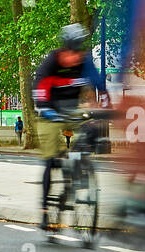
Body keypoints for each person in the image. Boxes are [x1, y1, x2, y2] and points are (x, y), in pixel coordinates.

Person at [33, 23, 107, 230]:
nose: (77, 57)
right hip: (50, 111)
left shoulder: (84, 62)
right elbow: (39, 88)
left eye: (79, 51)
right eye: (73, 52)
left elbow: (99, 83)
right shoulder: (51, 62)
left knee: (91, 128)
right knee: (50, 159)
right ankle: (45, 211)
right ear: (64, 49)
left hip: (72, 110)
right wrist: (45, 108)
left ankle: (77, 161)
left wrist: (106, 106)